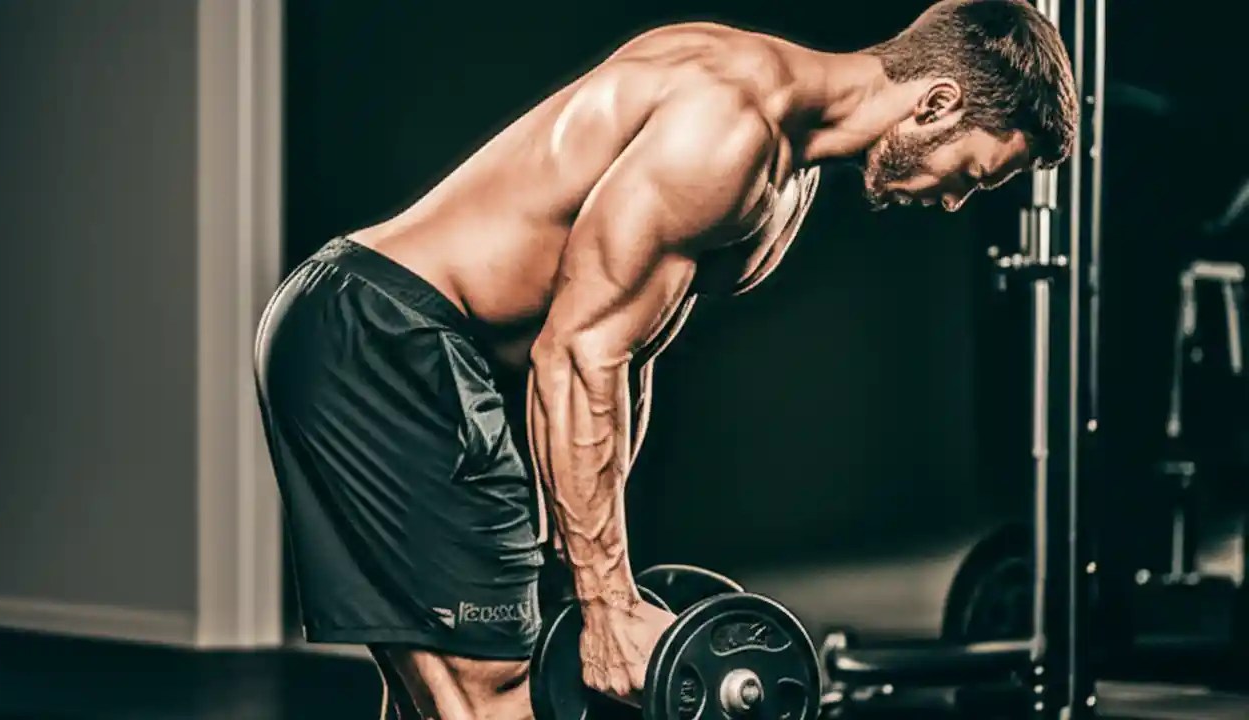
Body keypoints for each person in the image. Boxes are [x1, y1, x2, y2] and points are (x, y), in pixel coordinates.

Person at [254, 1, 1079, 718]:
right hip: (385, 336)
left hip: (427, 352)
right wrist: (604, 603)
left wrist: (578, 564)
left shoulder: (788, 178)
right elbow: (579, 355)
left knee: (442, 693)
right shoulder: (726, 123)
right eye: (971, 174)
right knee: (497, 692)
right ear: (938, 103)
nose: (951, 200)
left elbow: (631, 357)